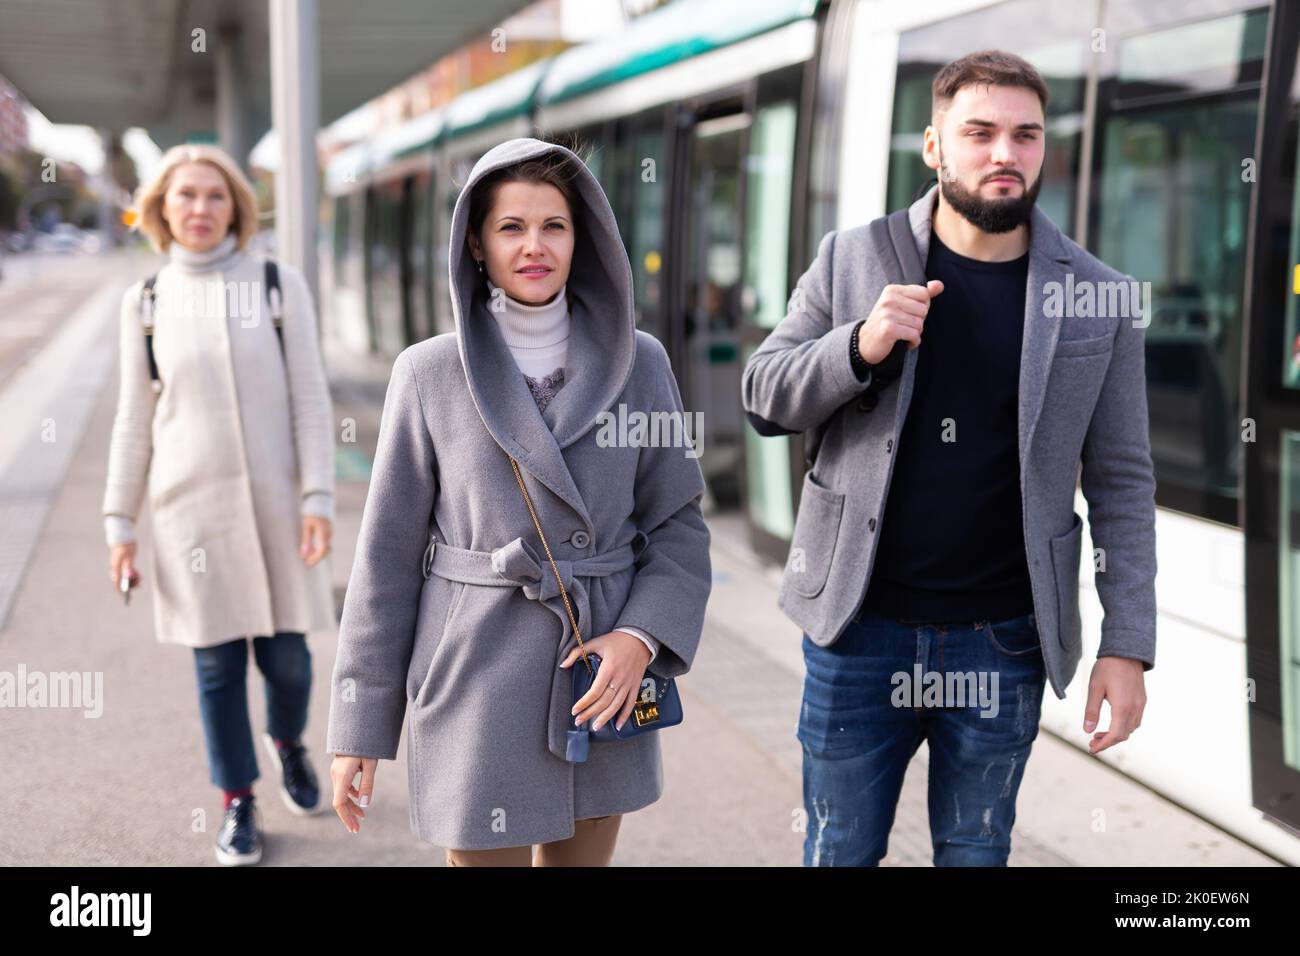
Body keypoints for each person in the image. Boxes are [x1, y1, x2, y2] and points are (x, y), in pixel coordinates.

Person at [742, 50, 1156, 866]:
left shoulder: (1098, 294)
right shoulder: (851, 256)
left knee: (977, 852)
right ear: (934, 147)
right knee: (839, 852)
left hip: (1002, 642)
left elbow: (1122, 481)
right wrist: (858, 345)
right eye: (980, 132)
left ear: (1044, 149)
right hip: (857, 631)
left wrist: (1127, 644)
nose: (1005, 153)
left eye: (1025, 135)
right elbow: (762, 395)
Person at [325, 137, 712, 866]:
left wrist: (642, 639)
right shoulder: (429, 373)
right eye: (511, 228)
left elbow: (678, 528)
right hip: (475, 676)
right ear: (476, 243)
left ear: (583, 238)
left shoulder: (643, 361)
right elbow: (385, 563)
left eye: (554, 226)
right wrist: (359, 730)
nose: (534, 246)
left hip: (600, 673)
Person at [102, 143, 337, 866]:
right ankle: (238, 799)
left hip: (276, 509)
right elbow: (133, 418)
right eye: (184, 196)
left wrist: (318, 496)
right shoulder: (143, 302)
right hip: (188, 515)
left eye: (214, 195)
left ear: (235, 204)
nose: (200, 209)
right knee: (215, 668)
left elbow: (309, 395)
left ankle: (288, 741)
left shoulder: (275, 283)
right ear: (161, 210)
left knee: (289, 659)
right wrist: (119, 521)